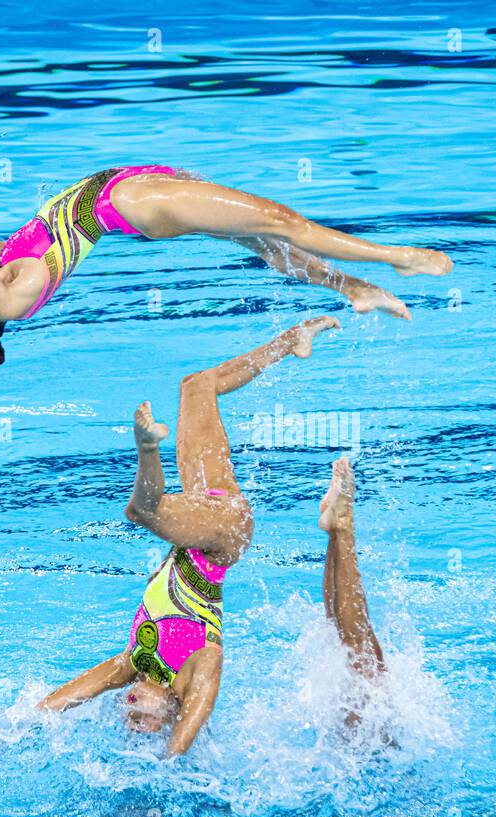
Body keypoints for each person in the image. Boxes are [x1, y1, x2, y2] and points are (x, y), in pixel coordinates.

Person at [39, 315, 342, 756]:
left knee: (196, 386)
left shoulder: (133, 665)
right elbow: (191, 728)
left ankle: (290, 341)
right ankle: (147, 449)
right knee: (142, 511)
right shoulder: (197, 670)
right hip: (222, 539)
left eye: (128, 717)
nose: (130, 709)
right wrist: (172, 756)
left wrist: (23, 721)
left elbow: (65, 697)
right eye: (145, 721)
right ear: (171, 714)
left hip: (207, 509)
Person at [0, 166, 452, 365]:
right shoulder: (6, 299)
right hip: (130, 203)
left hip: (130, 188)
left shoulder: (5, 272)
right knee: (279, 220)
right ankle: (396, 259)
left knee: (259, 240)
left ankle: (352, 287)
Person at [317, 455, 386, 728]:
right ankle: (338, 530)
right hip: (364, 753)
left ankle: (341, 526)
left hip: (364, 749)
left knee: (361, 653)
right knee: (357, 646)